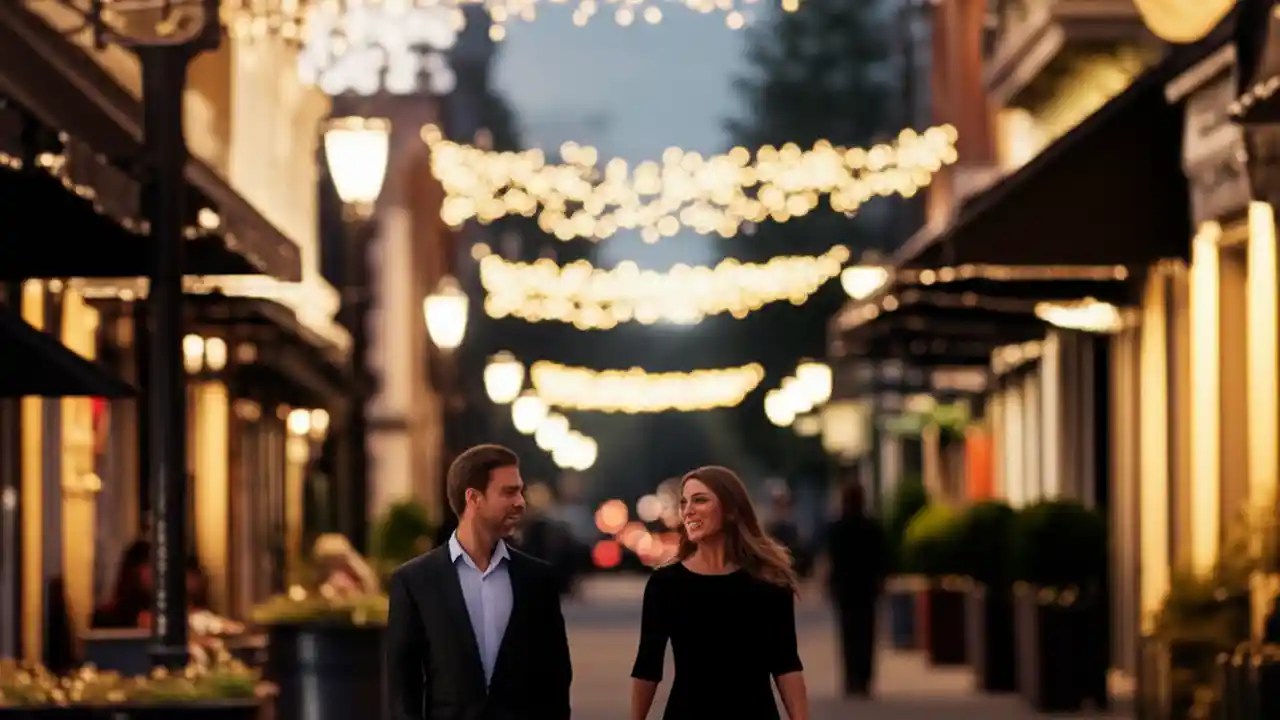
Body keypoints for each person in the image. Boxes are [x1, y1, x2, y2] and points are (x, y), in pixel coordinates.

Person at [386, 444, 573, 720]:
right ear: (474, 498)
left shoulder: (537, 580)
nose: (520, 502)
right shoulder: (415, 581)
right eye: (509, 492)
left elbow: (556, 679)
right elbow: (403, 686)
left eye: (519, 490)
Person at [630, 466, 809, 720]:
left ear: (732, 511)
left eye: (700, 500)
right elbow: (647, 667)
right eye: (684, 502)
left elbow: (786, 664)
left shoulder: (768, 583)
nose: (688, 510)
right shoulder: (666, 584)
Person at [824, 482, 887, 697]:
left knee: (848, 634)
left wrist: (830, 585)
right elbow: (881, 559)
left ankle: (851, 679)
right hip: (866, 587)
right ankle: (864, 679)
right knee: (866, 634)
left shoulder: (837, 528)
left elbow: (831, 560)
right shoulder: (872, 527)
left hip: (845, 588)